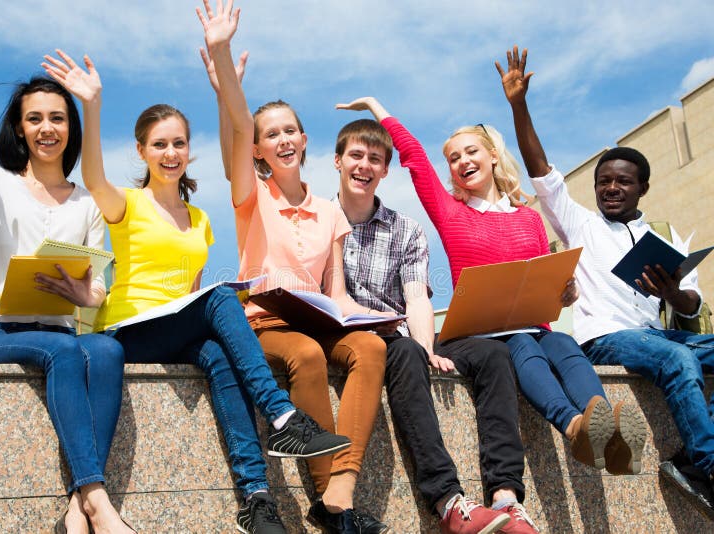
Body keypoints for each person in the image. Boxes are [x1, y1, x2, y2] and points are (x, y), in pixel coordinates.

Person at [42, 47, 349, 534]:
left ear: (189, 151)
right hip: (127, 331)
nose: (171, 154)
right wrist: (91, 105)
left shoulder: (200, 220)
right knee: (222, 297)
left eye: (179, 144)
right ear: (142, 151)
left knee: (220, 353)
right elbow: (93, 175)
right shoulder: (127, 204)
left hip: (176, 330)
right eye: (160, 145)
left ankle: (256, 498)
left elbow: (191, 293)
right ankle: (283, 415)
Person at [347, 76, 647, 481]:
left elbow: (545, 286)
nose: (461, 161)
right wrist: (376, 107)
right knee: (523, 342)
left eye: (470, 151)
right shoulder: (451, 212)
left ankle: (607, 431)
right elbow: (415, 157)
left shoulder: (529, 218)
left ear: (491, 156)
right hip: (477, 336)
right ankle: (574, 428)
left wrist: (566, 292)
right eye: (453, 158)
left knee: (561, 340)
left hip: (534, 327)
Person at [198, 2, 391, 532]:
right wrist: (222, 64)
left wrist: (377, 318)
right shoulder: (251, 196)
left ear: (304, 141)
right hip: (265, 325)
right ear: (259, 149)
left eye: (291, 131)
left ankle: (340, 489)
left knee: (371, 346)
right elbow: (232, 136)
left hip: (319, 317)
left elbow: (338, 289)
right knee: (306, 355)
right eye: (271, 134)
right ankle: (332, 501)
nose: (283, 139)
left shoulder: (330, 210)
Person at [500, 45, 714, 520]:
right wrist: (519, 105)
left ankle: (688, 463)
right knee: (678, 357)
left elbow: (690, 303)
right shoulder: (580, 224)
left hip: (657, 335)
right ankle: (709, 466)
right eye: (603, 182)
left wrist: (670, 291)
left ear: (643, 187)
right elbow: (541, 171)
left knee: (682, 348)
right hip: (606, 342)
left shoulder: (667, 236)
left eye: (622, 182)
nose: (610, 189)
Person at [0, 50, 132, 534]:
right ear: (19, 128)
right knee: (64, 347)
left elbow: (98, 289)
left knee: (103, 348)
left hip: (57, 328)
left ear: (69, 128)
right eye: (34, 118)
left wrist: (83, 295)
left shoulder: (86, 202)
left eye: (57, 118)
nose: (46, 127)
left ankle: (77, 510)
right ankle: (97, 500)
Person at [334, 103, 539, 534]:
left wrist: (429, 348)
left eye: (375, 159)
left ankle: (506, 498)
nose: (365, 166)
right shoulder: (321, 218)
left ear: (384, 171)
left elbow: (416, 298)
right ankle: (448, 503)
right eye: (356, 156)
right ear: (337, 162)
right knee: (406, 349)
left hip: (405, 334)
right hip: (352, 336)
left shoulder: (405, 229)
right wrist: (410, 343)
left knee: (493, 355)